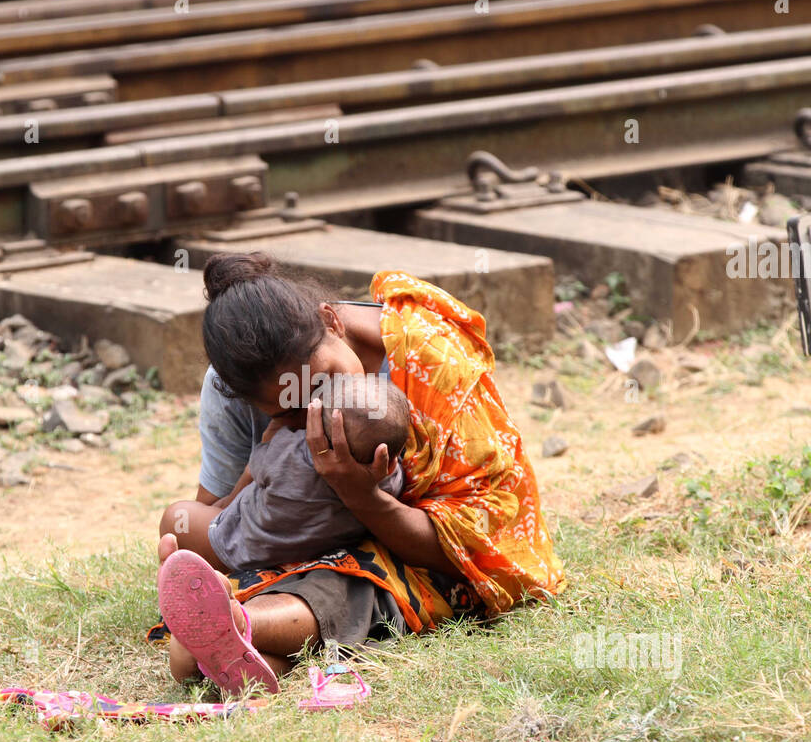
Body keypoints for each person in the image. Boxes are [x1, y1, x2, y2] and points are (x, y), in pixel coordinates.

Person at [155, 252, 566, 695]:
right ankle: (237, 641)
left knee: (351, 582)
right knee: (210, 546)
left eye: (322, 384)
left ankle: (239, 622)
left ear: (331, 321)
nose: (314, 414)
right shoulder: (230, 387)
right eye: (287, 411)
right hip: (294, 550)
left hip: (403, 555)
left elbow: (474, 547)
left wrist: (361, 496)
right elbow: (217, 513)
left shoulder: (431, 362)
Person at [163, 374, 410, 574]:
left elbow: (254, 471)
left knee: (177, 517)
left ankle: (193, 571)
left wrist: (270, 439)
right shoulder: (391, 481)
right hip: (320, 552)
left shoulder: (287, 451)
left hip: (243, 549)